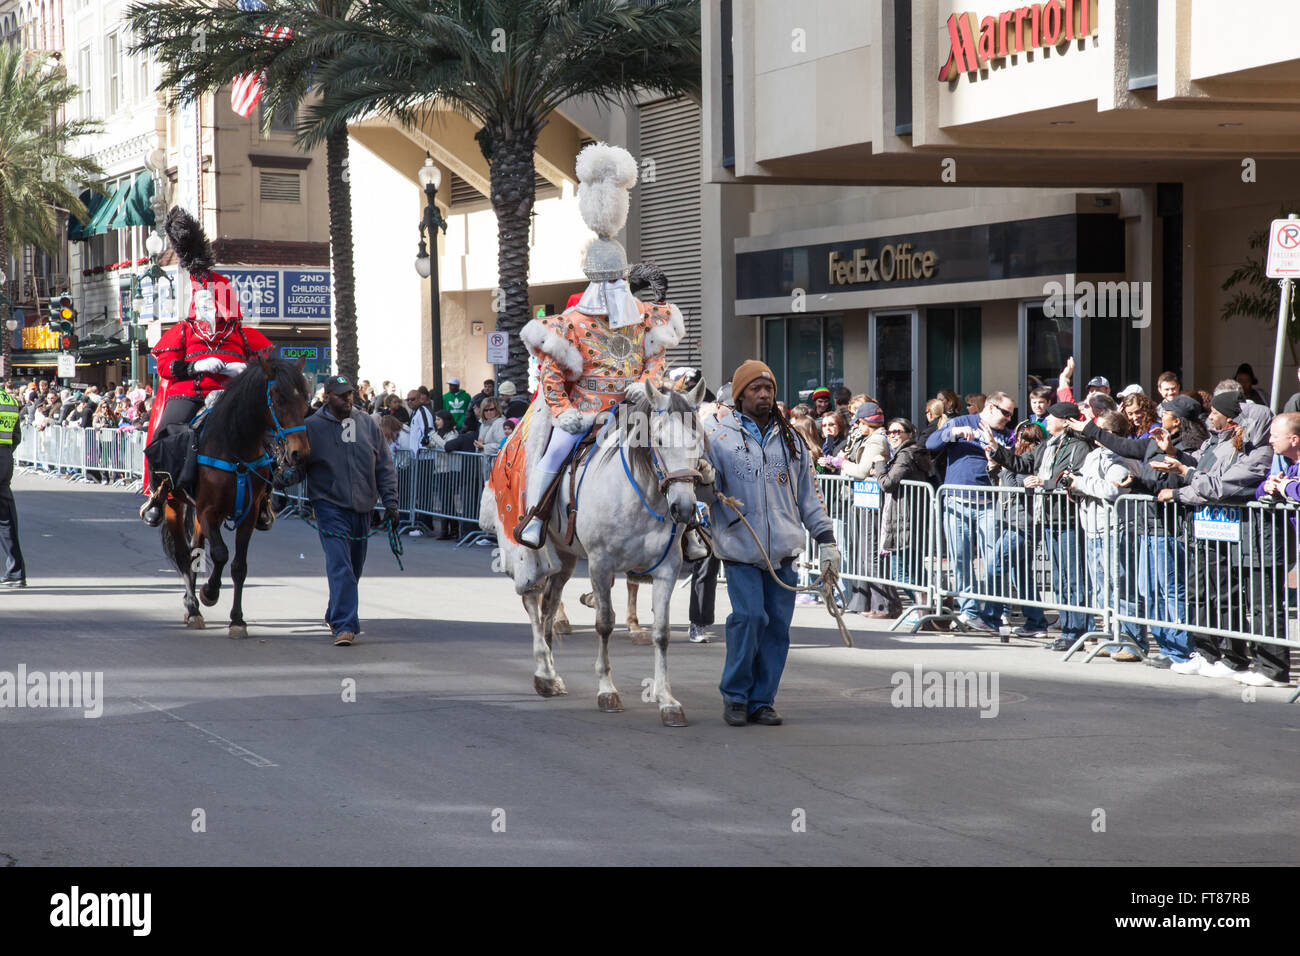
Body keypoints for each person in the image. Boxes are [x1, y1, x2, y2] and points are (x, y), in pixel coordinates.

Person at [513, 144, 684, 549]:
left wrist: (645, 385)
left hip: (634, 412)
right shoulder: (566, 325)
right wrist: (563, 411)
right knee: (554, 454)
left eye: (615, 283)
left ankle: (688, 530)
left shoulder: (647, 316)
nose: (610, 292)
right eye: (602, 283)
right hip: (585, 413)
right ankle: (536, 518)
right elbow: (551, 375)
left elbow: (656, 362)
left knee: (680, 450)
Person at [697, 359, 839, 727]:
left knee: (776, 627)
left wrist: (827, 541)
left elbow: (810, 497)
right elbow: (704, 492)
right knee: (749, 617)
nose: (764, 395)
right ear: (741, 394)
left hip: (784, 553)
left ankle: (762, 700)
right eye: (756, 389)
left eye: (769, 389)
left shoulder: (790, 439)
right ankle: (735, 696)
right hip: (740, 547)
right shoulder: (717, 436)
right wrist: (702, 480)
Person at [142, 206, 274, 528]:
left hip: (233, 397)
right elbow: (166, 369)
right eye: (199, 301)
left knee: (270, 436)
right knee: (163, 435)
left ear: (224, 300)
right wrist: (196, 365)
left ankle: (265, 500)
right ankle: (159, 493)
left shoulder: (244, 336)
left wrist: (244, 372)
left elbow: (268, 370)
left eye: (209, 300)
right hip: (191, 394)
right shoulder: (184, 331)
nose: (203, 306)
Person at [1155, 393, 1277, 678]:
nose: (1210, 416)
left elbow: (1215, 486)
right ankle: (1206, 653)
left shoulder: (1256, 452)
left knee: (1228, 597)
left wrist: (1179, 486)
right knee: (1200, 593)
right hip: (1205, 526)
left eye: (1216, 412)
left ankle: (1236, 658)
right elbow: (1201, 474)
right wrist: (1175, 457)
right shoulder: (1217, 442)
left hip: (1230, 529)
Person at [985, 402, 1091, 650]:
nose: (1046, 421)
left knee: (1072, 579)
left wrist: (1045, 482)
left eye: (1051, 417)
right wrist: (995, 448)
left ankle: (1078, 631)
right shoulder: (1047, 445)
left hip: (1068, 519)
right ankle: (1068, 631)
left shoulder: (1078, 446)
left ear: (1065, 421)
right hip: (1049, 518)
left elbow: (1073, 476)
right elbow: (1021, 464)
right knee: (1059, 580)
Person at [302, 376, 398, 647]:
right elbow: (297, 467)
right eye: (341, 395)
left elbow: (384, 465)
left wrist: (391, 502)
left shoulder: (367, 423)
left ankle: (335, 612)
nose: (348, 399)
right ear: (327, 396)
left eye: (351, 394)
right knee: (340, 565)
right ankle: (345, 625)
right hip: (329, 505)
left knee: (353, 567)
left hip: (363, 506)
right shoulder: (311, 426)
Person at [925, 390, 1016, 629]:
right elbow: (930, 444)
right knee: (961, 559)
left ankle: (997, 611)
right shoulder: (961, 422)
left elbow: (1011, 463)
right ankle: (969, 610)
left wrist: (995, 455)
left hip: (989, 503)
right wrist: (951, 433)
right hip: (957, 500)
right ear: (990, 408)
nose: (1008, 418)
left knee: (994, 560)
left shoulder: (1005, 435)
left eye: (1010, 415)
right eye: (1005, 413)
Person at [1061, 410, 1143, 659]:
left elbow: (1113, 490)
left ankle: (1132, 642)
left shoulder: (1124, 457)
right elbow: (1084, 482)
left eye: (1098, 429)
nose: (1092, 433)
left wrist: (1080, 484)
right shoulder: (1094, 455)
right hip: (1092, 527)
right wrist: (1073, 484)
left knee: (1122, 588)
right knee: (1101, 588)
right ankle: (1111, 637)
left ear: (1110, 433)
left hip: (1115, 529)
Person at [1250, 411, 1300, 686]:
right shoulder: (1288, 463)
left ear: (1294, 439)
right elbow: (1261, 491)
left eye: (1275, 436)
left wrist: (1287, 487)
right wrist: (1270, 487)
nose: (1270, 441)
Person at [877, 418, 934, 626]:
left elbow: (887, 483)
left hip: (906, 518)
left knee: (901, 572)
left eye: (897, 432)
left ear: (909, 433)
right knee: (913, 569)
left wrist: (880, 463)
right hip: (908, 517)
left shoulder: (906, 454)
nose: (892, 435)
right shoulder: (911, 453)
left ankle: (925, 606)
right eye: (889, 432)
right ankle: (923, 607)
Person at [0, 382, 26, 587]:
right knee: (6, 519)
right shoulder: (9, 400)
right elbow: (16, 436)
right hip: (5, 457)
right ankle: (16, 572)